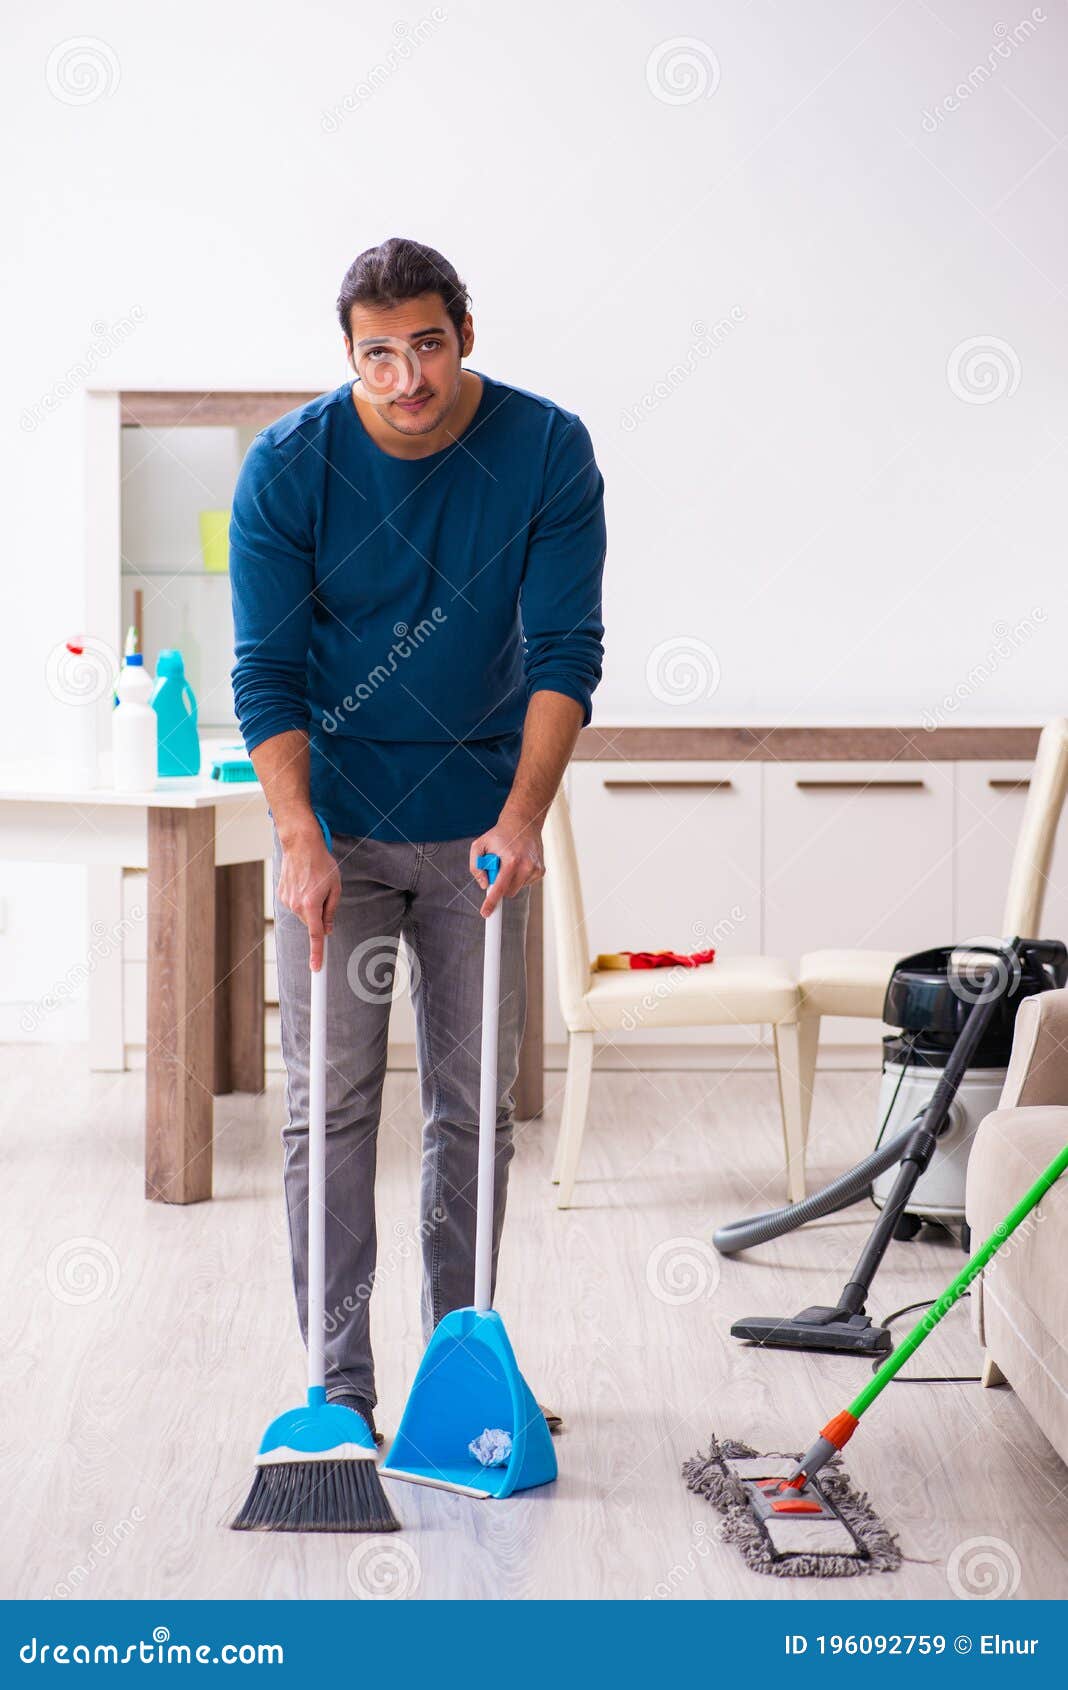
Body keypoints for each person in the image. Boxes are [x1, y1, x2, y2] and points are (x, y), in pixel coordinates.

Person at [229, 236, 606, 1438]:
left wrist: (521, 817)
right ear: (348, 356)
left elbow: (565, 655)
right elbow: (267, 670)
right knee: (328, 1107)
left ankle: (463, 1362)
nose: (407, 379)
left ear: (465, 338)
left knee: (471, 1108)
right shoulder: (289, 469)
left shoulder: (547, 451)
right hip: (337, 832)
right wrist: (298, 833)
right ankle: (339, 1384)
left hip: (476, 834)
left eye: (427, 346)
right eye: (377, 355)